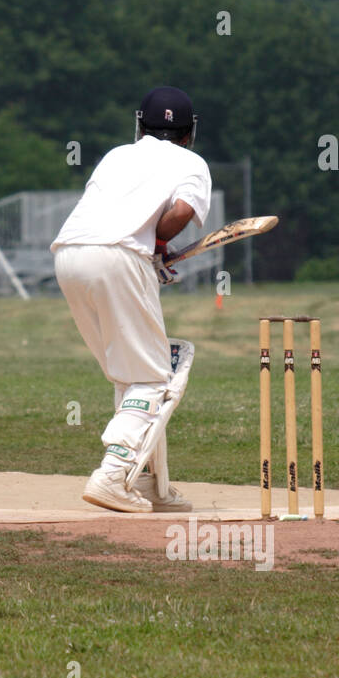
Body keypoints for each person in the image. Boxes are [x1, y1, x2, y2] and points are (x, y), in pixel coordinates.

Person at [51, 86, 212, 512]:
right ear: (188, 132)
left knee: (132, 375)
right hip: (120, 256)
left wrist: (149, 252)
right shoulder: (192, 163)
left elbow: (111, 214)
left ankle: (146, 484)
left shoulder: (117, 155)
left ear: (140, 124)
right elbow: (179, 212)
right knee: (154, 379)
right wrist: (156, 243)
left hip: (69, 254)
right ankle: (111, 472)